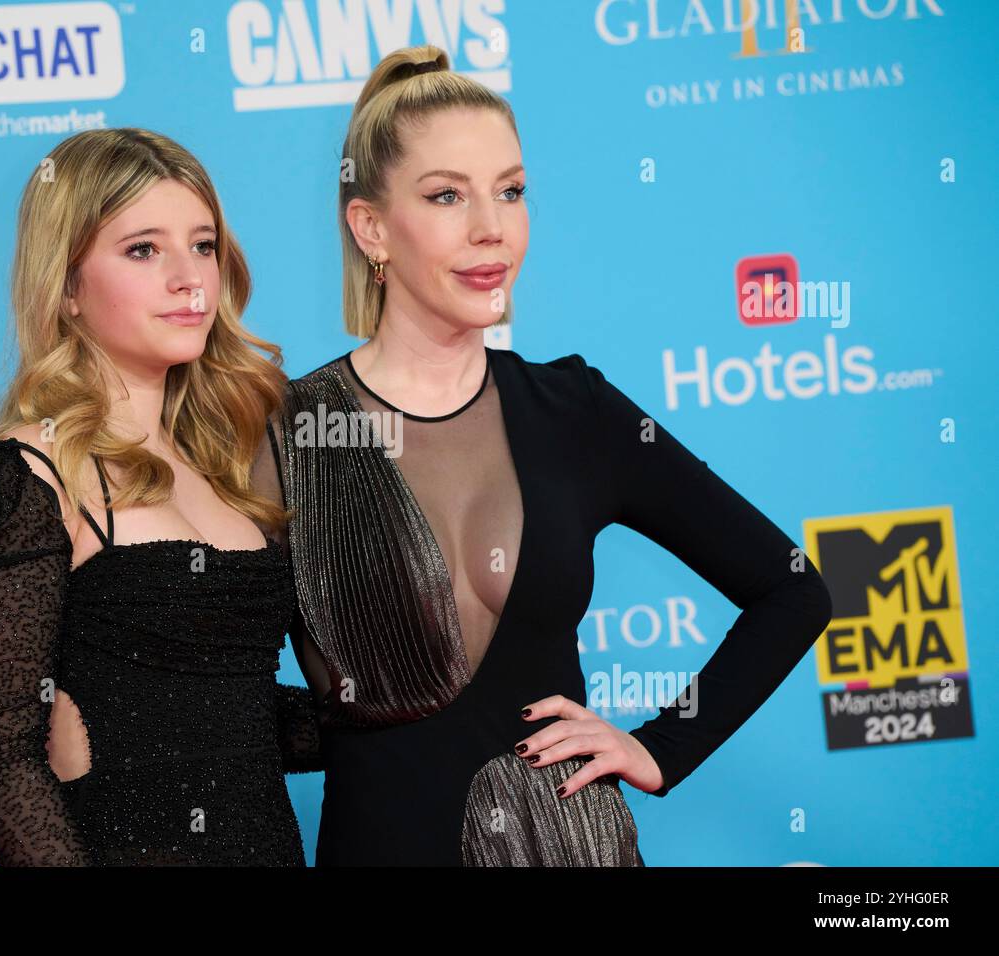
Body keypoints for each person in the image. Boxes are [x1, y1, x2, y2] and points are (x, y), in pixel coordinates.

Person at [249, 46, 834, 865]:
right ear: (370, 227)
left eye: (511, 191)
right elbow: (216, 697)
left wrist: (663, 747)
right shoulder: (285, 434)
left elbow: (793, 589)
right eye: (447, 195)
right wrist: (358, 720)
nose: (492, 226)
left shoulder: (575, 411)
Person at [0, 127, 320, 867]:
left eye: (203, 246)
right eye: (143, 249)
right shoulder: (23, 476)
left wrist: (420, 715)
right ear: (67, 286)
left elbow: (230, 718)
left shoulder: (230, 464)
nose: (190, 278)